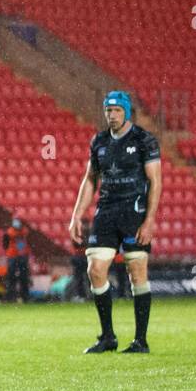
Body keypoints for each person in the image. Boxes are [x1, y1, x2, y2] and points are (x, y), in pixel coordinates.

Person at [68, 91, 161, 354]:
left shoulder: (144, 140)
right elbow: (90, 179)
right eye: (108, 111)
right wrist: (76, 214)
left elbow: (155, 181)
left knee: (137, 272)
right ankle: (107, 337)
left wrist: (150, 219)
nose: (112, 115)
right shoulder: (98, 141)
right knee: (95, 270)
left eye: (117, 110)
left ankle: (140, 341)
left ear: (126, 112)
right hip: (106, 212)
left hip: (134, 212)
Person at [4, 217, 32, 303]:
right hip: (13, 256)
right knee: (11, 278)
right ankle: (11, 297)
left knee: (23, 278)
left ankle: (24, 297)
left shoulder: (23, 231)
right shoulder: (10, 232)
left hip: (21, 256)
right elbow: (5, 243)